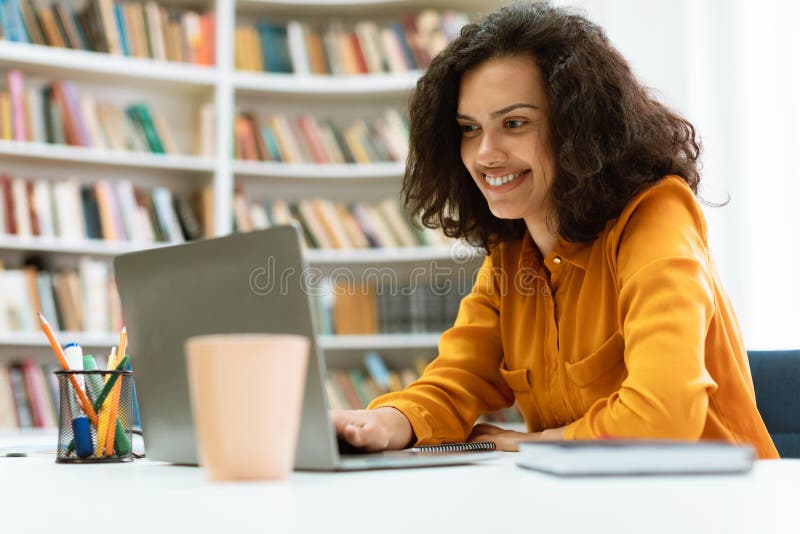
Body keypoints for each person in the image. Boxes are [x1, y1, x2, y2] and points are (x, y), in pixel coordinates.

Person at [331, 2, 779, 459]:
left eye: (515, 123)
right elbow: (456, 381)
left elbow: (663, 416)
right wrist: (379, 424)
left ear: (578, 127)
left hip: (712, 505)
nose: (485, 154)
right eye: (469, 128)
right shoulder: (510, 252)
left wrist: (534, 444)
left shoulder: (657, 214)